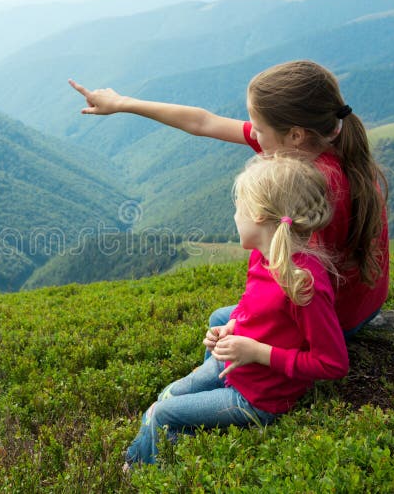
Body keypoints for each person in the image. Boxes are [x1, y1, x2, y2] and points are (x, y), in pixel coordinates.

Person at [68, 60, 389, 337]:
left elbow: (304, 290)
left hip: (337, 319)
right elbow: (203, 122)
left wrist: (246, 333)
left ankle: (239, 397)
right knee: (228, 319)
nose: (254, 134)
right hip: (363, 304)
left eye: (259, 129)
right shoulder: (324, 145)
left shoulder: (317, 189)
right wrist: (123, 103)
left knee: (223, 322)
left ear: (295, 135)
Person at [123, 154, 349, 467]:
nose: (234, 217)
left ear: (258, 216)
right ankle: (141, 458)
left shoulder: (303, 283)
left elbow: (332, 363)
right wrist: (231, 328)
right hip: (235, 369)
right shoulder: (262, 256)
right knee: (166, 396)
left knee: (160, 413)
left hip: (258, 398)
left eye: (238, 209)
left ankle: (137, 475)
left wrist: (256, 352)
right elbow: (251, 305)